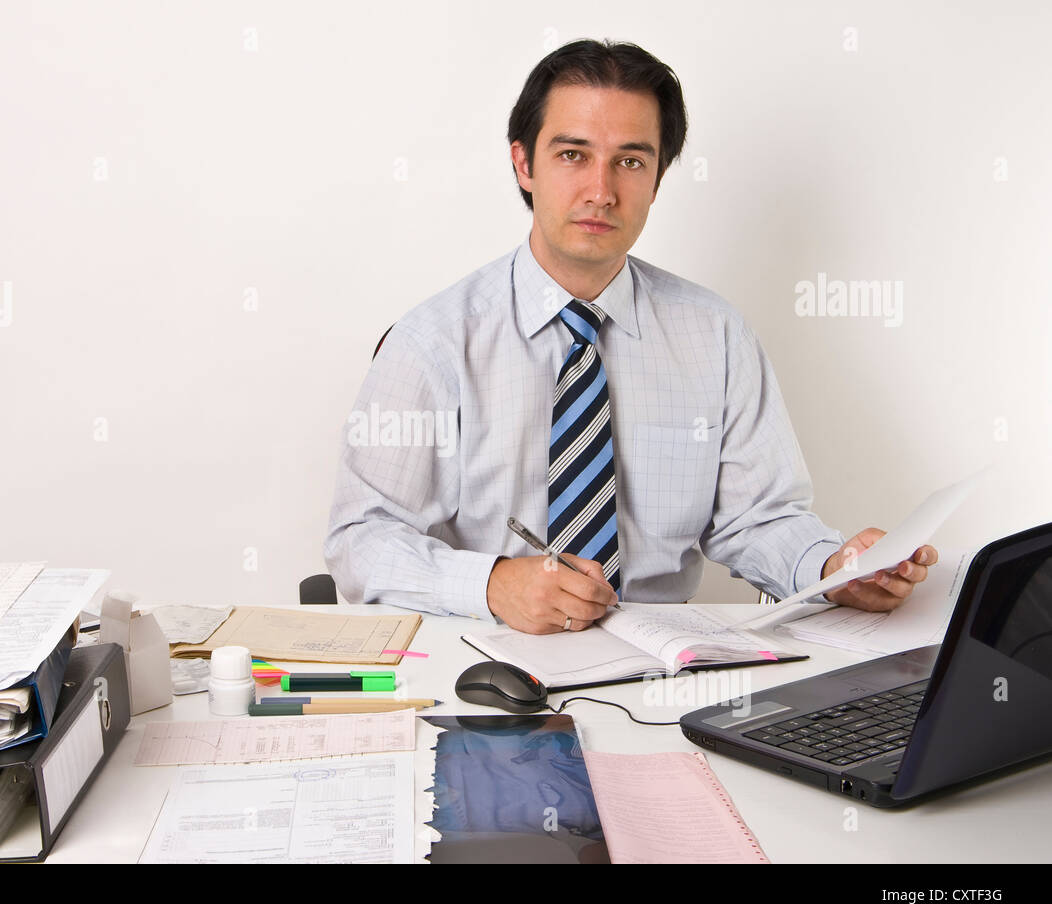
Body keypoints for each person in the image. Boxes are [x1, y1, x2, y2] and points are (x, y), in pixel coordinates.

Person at [324, 39, 936, 634]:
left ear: (658, 178)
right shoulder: (432, 342)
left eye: (631, 161)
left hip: (664, 664)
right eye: (572, 155)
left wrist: (833, 570)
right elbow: (362, 539)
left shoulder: (716, 335)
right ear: (523, 163)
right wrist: (491, 583)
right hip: (489, 655)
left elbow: (757, 520)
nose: (601, 190)